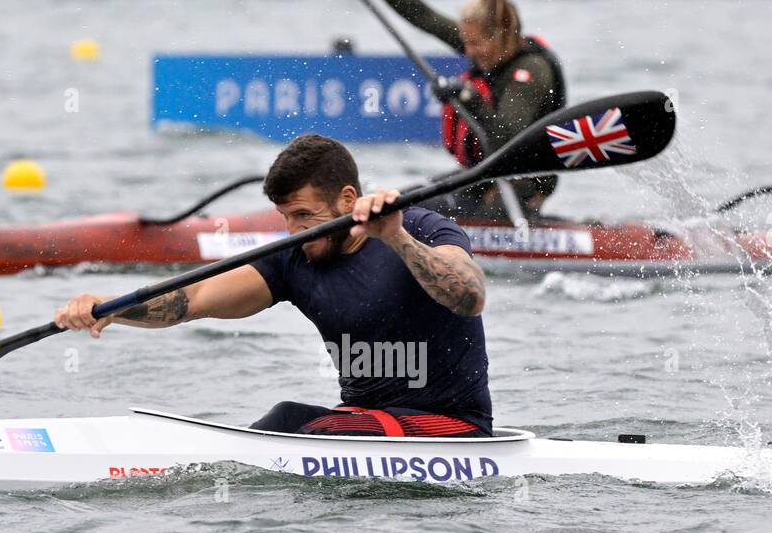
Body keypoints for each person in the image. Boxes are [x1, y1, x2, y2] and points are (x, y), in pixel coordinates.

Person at [54, 134, 493, 437]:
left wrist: (394, 236)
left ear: (346, 200)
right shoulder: (294, 259)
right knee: (292, 419)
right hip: (362, 421)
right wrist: (112, 307)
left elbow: (470, 297)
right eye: (285, 218)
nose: (294, 230)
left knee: (290, 420)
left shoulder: (418, 226)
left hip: (449, 425)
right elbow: (195, 298)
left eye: (303, 215)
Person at [335, 0, 566, 220]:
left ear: (501, 35)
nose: (468, 52)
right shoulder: (485, 48)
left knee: (456, 217)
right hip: (485, 176)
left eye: (475, 44)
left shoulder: (531, 71)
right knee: (408, 206)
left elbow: (506, 137)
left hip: (522, 184)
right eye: (464, 42)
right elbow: (424, 16)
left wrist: (468, 98)